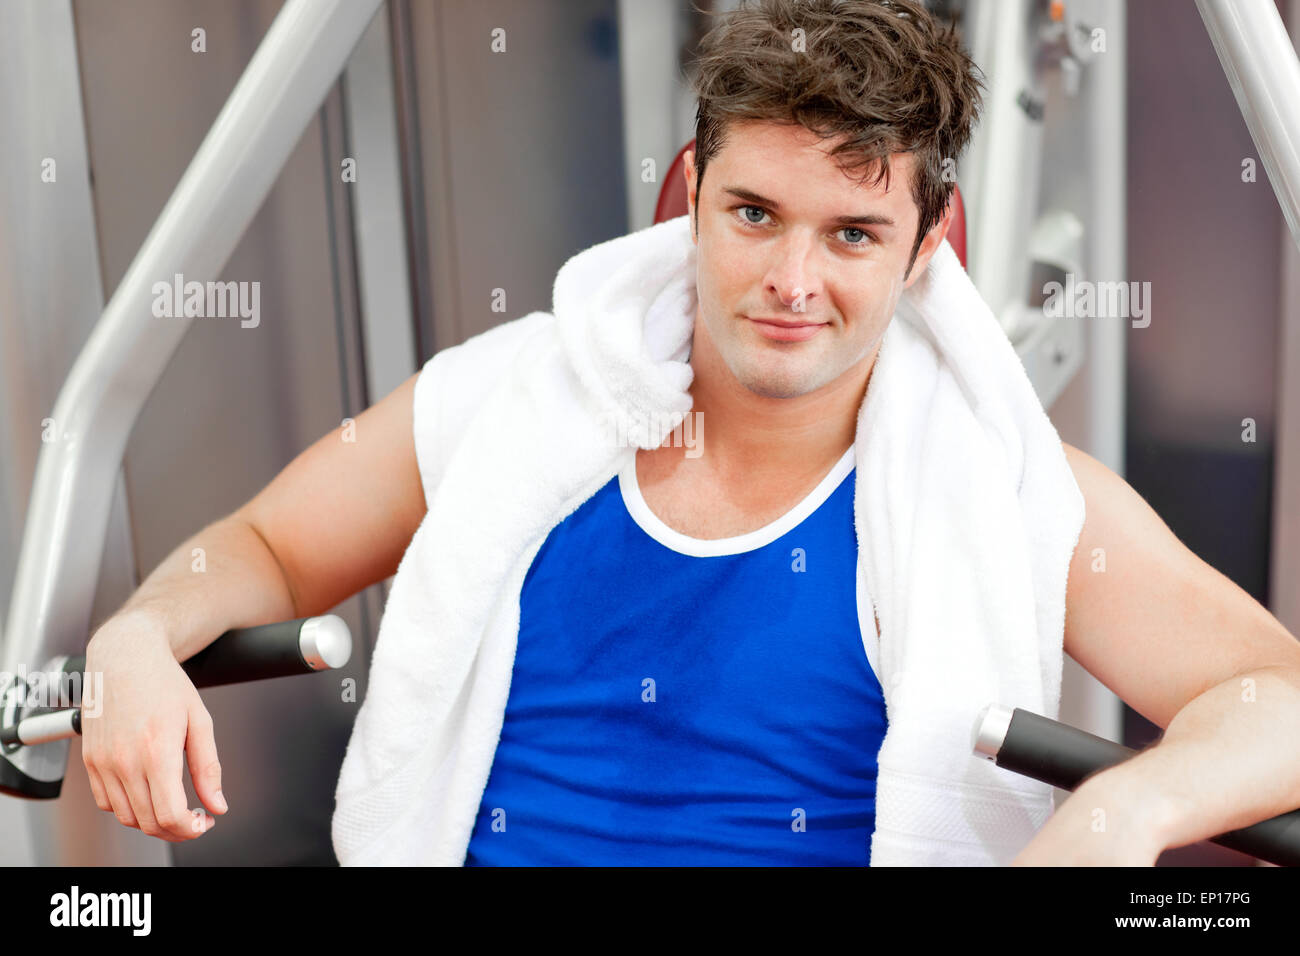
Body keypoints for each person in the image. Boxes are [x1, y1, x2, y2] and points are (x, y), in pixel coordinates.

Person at [82, 0, 1300, 865]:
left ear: (927, 247)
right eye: (755, 213)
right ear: (690, 194)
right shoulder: (514, 403)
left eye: (852, 233)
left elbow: (1277, 691)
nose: (790, 277)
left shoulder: (1003, 486)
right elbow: (265, 548)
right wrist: (139, 637)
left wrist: (1122, 810)